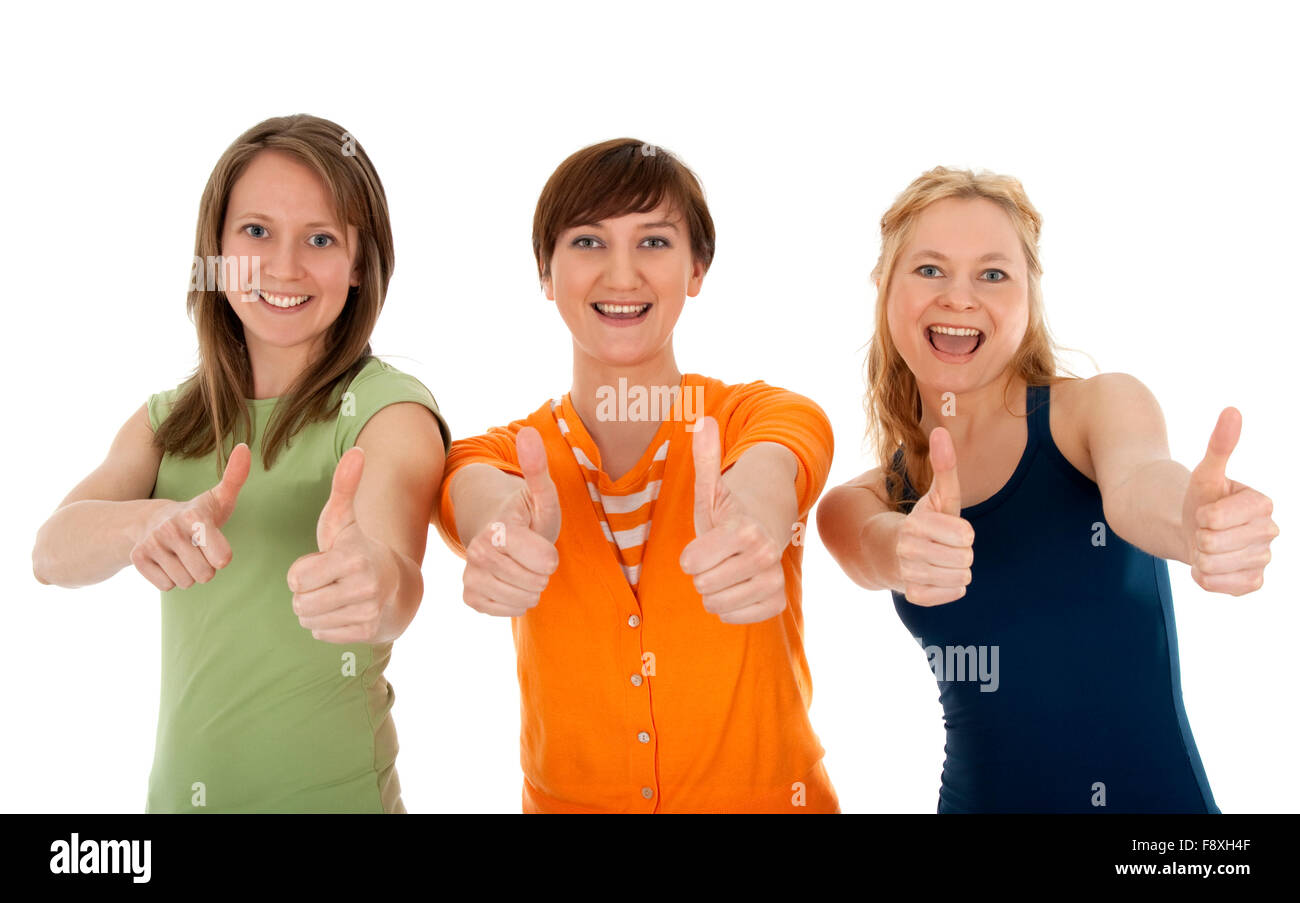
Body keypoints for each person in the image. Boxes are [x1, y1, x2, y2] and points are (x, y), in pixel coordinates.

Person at [816, 166, 1278, 813]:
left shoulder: (1095, 408)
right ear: (883, 283)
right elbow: (872, 546)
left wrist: (1192, 521)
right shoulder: (863, 499)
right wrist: (908, 550)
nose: (959, 296)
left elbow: (1140, 482)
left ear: (1029, 292)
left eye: (993, 273)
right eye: (929, 269)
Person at [32, 114, 451, 813]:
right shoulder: (171, 419)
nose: (284, 267)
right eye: (256, 231)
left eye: (320, 239)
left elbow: (395, 585)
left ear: (358, 264)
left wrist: (366, 580)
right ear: (217, 249)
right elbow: (50, 552)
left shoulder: (389, 411)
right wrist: (150, 523)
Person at [432, 138, 838, 813]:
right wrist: (501, 531)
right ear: (545, 270)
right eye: (589, 242)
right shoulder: (495, 453)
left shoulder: (761, 414)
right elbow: (472, 493)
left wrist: (753, 525)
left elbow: (774, 468)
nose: (622, 277)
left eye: (653, 243)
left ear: (697, 269)